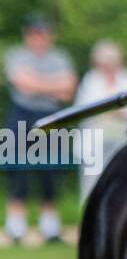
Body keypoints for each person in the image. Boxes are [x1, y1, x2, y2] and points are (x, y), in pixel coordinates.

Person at [4, 15, 77, 244]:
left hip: (50, 117)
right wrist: (53, 85)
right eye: (35, 33)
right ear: (28, 34)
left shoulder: (60, 57)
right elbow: (23, 85)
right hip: (21, 114)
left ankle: (50, 225)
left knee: (50, 170)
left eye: (43, 33)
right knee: (18, 168)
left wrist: (38, 84)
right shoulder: (16, 55)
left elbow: (68, 90)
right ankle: (16, 225)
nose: (39, 38)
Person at [73, 40, 127, 203]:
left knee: (124, 185)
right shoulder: (91, 80)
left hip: (125, 142)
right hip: (95, 142)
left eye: (111, 63)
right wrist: (119, 110)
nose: (107, 67)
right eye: (104, 64)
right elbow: (84, 109)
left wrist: (115, 111)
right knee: (91, 186)